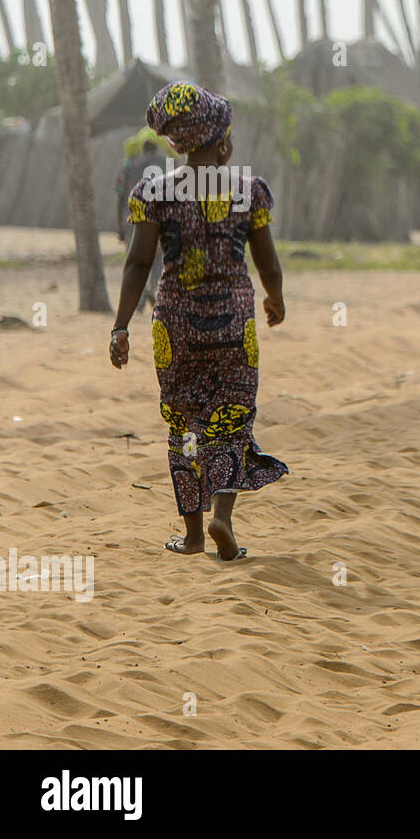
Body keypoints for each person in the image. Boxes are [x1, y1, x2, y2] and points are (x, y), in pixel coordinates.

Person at [109, 81, 288, 561]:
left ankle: (190, 537)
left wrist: (120, 327)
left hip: (175, 325)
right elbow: (267, 263)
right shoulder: (248, 190)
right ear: (222, 141)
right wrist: (276, 300)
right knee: (231, 418)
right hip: (233, 324)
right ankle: (222, 519)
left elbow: (137, 264)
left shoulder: (155, 191)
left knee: (184, 422)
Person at [115, 130, 172, 312]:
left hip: (131, 218)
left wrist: (119, 225)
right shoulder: (166, 164)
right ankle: (154, 290)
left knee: (134, 260)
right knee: (157, 260)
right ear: (157, 146)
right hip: (158, 219)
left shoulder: (128, 164)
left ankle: (137, 301)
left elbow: (120, 195)